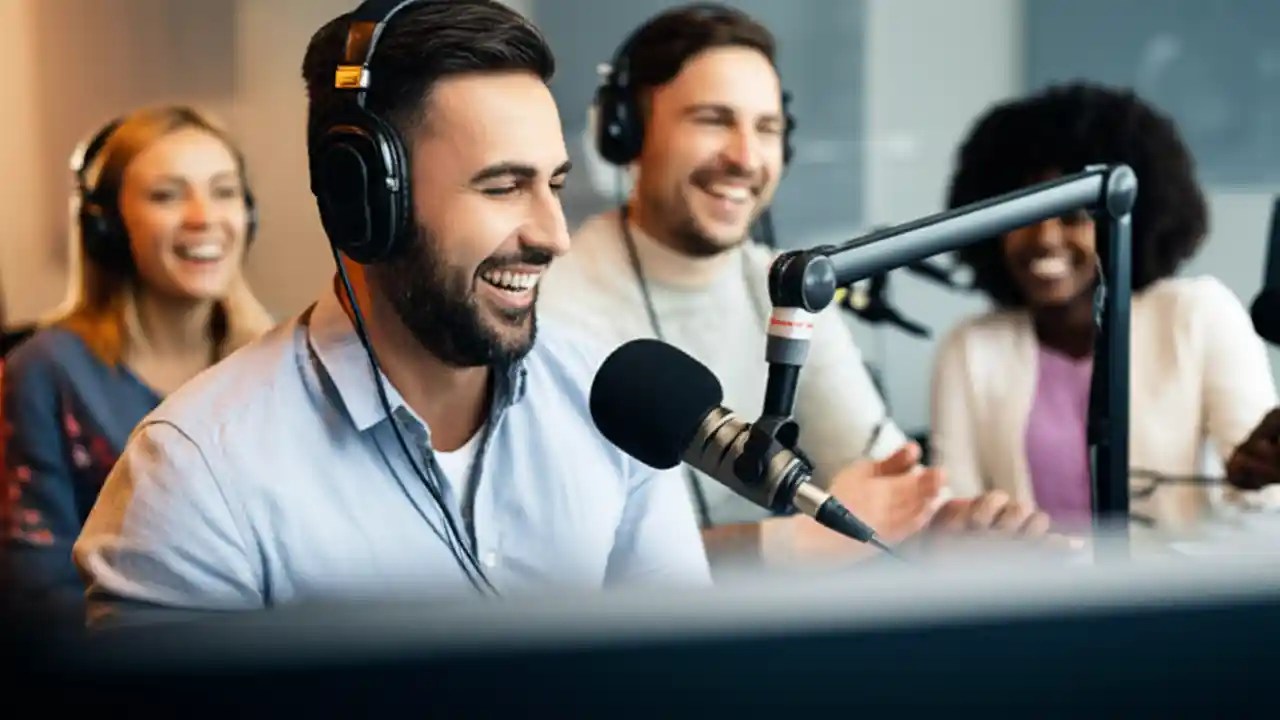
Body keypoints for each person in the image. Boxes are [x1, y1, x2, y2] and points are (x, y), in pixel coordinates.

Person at [73, 0, 711, 626]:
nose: (553, 234)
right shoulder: (195, 475)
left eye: (555, 185)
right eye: (503, 187)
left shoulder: (612, 410)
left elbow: (686, 678)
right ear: (364, 202)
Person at [539, 3, 1048, 568]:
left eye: (767, 128)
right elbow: (578, 563)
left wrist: (945, 526)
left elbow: (882, 481)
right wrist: (793, 544)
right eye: (712, 119)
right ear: (627, 132)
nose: (745, 157)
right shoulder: (554, 309)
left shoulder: (786, 285)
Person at [931, 82, 1277, 541]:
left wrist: (1254, 473)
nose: (1045, 238)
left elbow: (1264, 510)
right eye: (1022, 216)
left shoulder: (1195, 314)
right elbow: (953, 526)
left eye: (1074, 216)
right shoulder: (971, 348)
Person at [0, 106, 273, 611]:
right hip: (112, 672)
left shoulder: (278, 366)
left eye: (224, 191)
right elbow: (36, 590)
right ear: (106, 227)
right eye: (166, 195)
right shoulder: (44, 370)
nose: (204, 217)